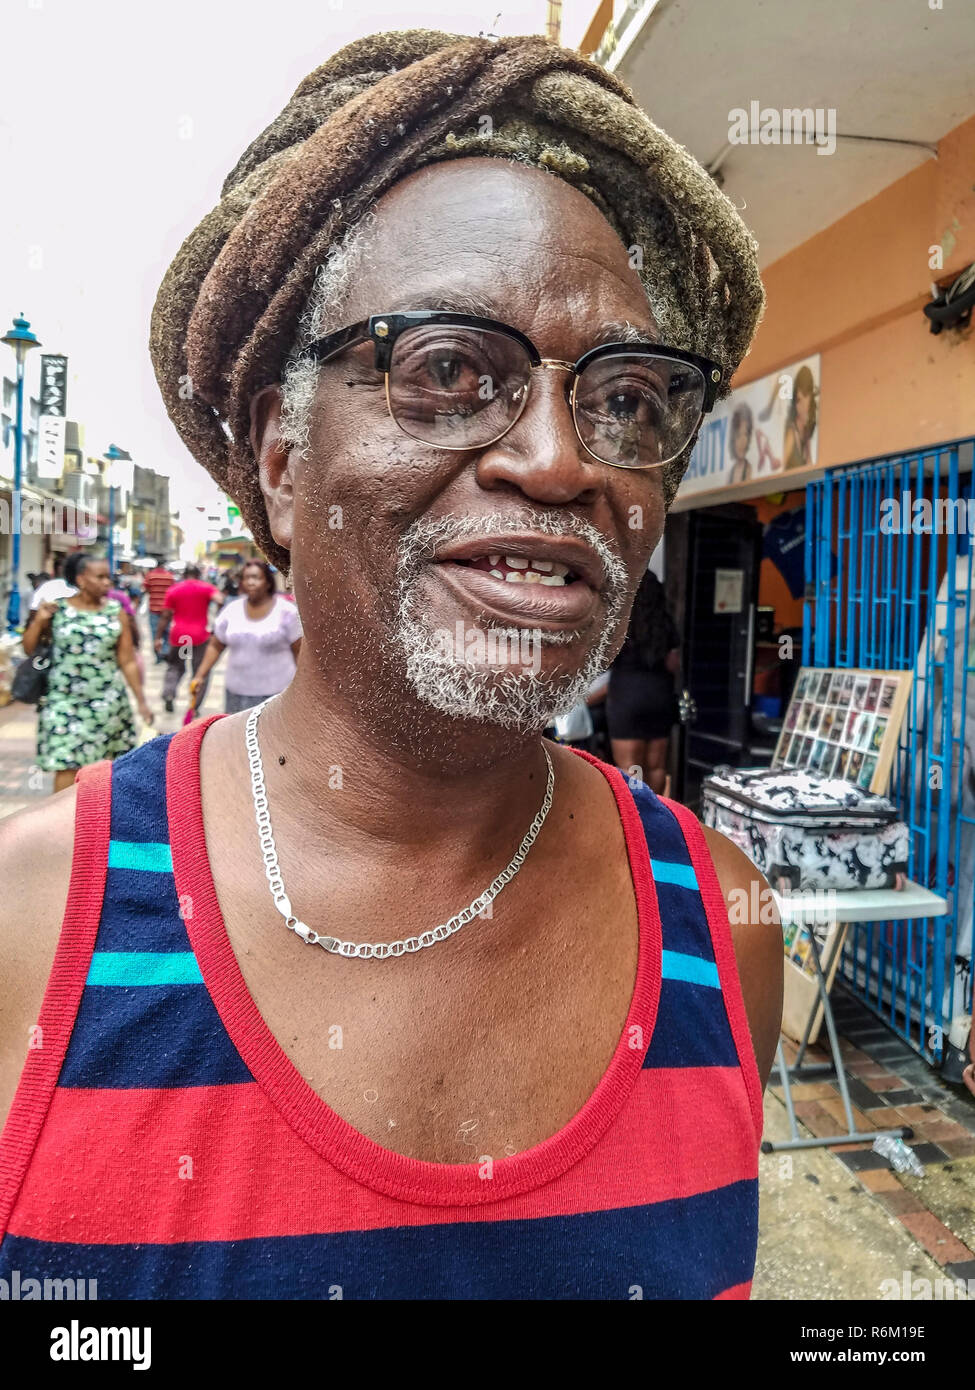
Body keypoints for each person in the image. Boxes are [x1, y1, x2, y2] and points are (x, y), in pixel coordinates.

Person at [0, 31, 779, 1301]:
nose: (560, 458)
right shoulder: (33, 930)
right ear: (281, 460)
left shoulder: (722, 928)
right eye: (449, 372)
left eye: (628, 398)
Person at [20, 553, 153, 793]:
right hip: (63, 702)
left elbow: (127, 660)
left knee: (103, 772)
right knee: (66, 767)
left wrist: (141, 702)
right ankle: (62, 826)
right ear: (81, 579)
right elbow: (29, 648)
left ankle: (96, 824)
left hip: (107, 704)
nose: (107, 583)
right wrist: (39, 621)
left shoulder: (115, 611)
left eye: (108, 577)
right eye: (100, 577)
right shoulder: (57, 610)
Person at [190, 559, 302, 714]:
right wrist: (200, 675)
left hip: (277, 694)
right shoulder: (232, 610)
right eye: (246, 578)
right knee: (237, 736)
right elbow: (216, 645)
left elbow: (300, 651)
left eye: (256, 577)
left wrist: (305, 686)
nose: (251, 582)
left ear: (268, 582)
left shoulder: (286, 612)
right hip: (236, 693)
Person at [607, 568, 682, 794]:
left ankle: (636, 820)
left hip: (627, 694)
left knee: (630, 767)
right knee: (657, 765)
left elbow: (606, 660)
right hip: (659, 693)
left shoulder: (620, 623)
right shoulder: (665, 622)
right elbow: (673, 663)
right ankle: (655, 816)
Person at [156, 563, 222, 712]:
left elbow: (166, 615)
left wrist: (158, 637)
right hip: (199, 637)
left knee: (175, 667)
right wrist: (217, 621)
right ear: (198, 575)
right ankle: (194, 705)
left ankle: (169, 693)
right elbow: (220, 600)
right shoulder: (206, 587)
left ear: (184, 575)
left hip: (181, 637)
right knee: (199, 671)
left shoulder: (174, 590)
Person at [144, 557, 175, 660]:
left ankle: (158, 655)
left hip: (153, 608)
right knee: (166, 632)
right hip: (167, 609)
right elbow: (173, 591)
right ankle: (165, 651)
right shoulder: (170, 576)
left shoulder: (150, 575)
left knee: (154, 632)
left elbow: (146, 589)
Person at [727, 402, 753, 485]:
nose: (742, 442)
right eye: (738, 436)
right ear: (733, 439)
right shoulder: (730, 473)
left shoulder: (749, 470)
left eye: (745, 434)